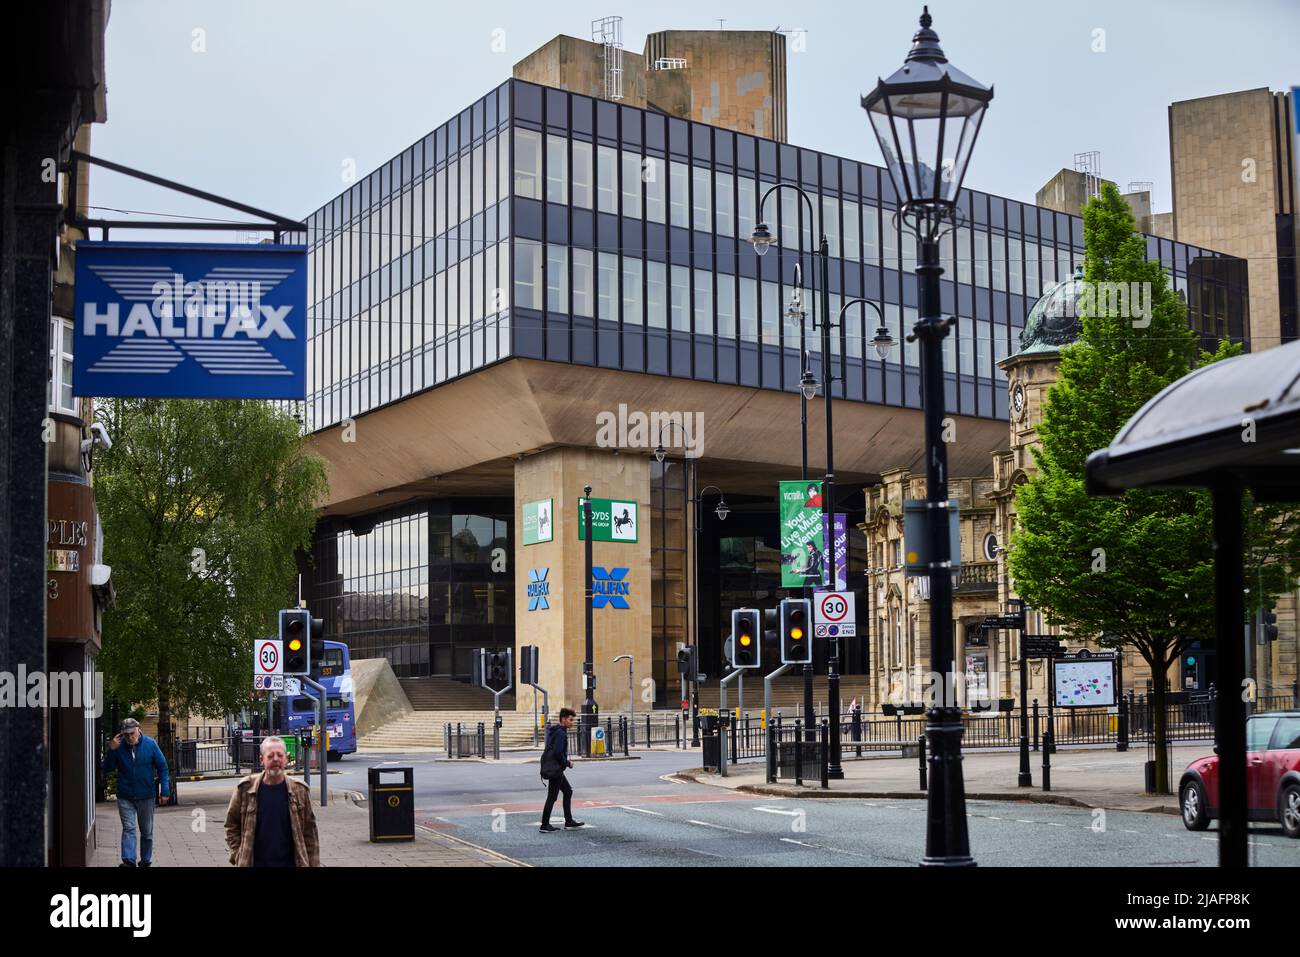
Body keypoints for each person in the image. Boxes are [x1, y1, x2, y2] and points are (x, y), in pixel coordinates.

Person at [224, 735, 320, 867]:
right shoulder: (245, 788)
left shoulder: (300, 790)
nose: (276, 759)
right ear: (261, 760)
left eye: (280, 755)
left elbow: (310, 834)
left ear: (286, 758)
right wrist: (238, 854)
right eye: (270, 756)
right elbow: (231, 825)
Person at [102, 717, 171, 868]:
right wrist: (111, 750)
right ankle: (129, 860)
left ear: (139, 729)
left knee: (146, 831)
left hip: (146, 795)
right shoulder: (118, 747)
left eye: (132, 733)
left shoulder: (150, 745)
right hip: (125, 795)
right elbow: (107, 768)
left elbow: (163, 768)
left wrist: (165, 790)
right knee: (129, 828)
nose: (130, 737)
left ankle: (145, 861)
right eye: (126, 734)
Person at [539, 708, 584, 833]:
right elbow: (558, 752)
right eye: (570, 719)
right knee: (552, 797)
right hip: (556, 770)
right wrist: (567, 763)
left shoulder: (557, 731)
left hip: (555, 768)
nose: (572, 722)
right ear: (563, 719)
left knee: (568, 791)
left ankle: (568, 821)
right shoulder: (561, 734)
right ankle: (544, 824)